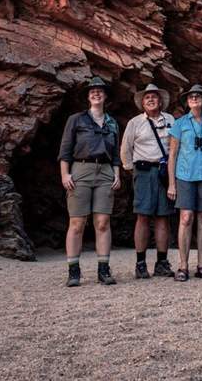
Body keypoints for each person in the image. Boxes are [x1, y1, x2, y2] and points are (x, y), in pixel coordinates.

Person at [57, 76, 122, 286]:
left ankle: (103, 269)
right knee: (77, 223)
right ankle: (73, 271)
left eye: (100, 91)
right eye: (92, 91)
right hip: (80, 170)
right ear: (88, 96)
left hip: (105, 172)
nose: (96, 93)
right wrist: (65, 174)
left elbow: (115, 154)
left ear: (105, 97)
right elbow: (65, 149)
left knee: (103, 222)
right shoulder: (76, 120)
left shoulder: (112, 123)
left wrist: (117, 174)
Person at [121, 82, 176, 278]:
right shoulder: (135, 123)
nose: (151, 99)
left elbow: (175, 146)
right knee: (143, 216)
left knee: (163, 216)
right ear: (142, 103)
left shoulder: (170, 120)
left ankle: (162, 262)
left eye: (154, 96)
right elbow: (125, 149)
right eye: (147, 97)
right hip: (143, 171)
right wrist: (131, 170)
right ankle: (141, 263)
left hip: (164, 172)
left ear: (160, 101)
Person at [167, 84, 202, 280]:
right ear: (187, 101)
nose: (195, 98)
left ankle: (201, 265)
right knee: (186, 217)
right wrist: (171, 183)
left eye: (198, 96)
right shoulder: (180, 124)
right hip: (185, 175)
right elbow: (172, 154)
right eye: (191, 96)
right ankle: (182, 266)